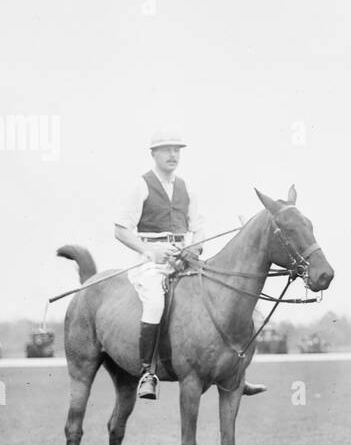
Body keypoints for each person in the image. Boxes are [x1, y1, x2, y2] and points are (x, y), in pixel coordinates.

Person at [114, 134, 265, 400]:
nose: (172, 155)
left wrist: (193, 249)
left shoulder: (187, 189)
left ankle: (237, 370)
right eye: (166, 150)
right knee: (155, 304)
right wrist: (151, 251)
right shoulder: (141, 186)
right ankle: (148, 373)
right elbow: (121, 230)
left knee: (231, 298)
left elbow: (198, 229)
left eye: (176, 150)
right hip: (151, 262)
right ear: (154, 154)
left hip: (184, 259)